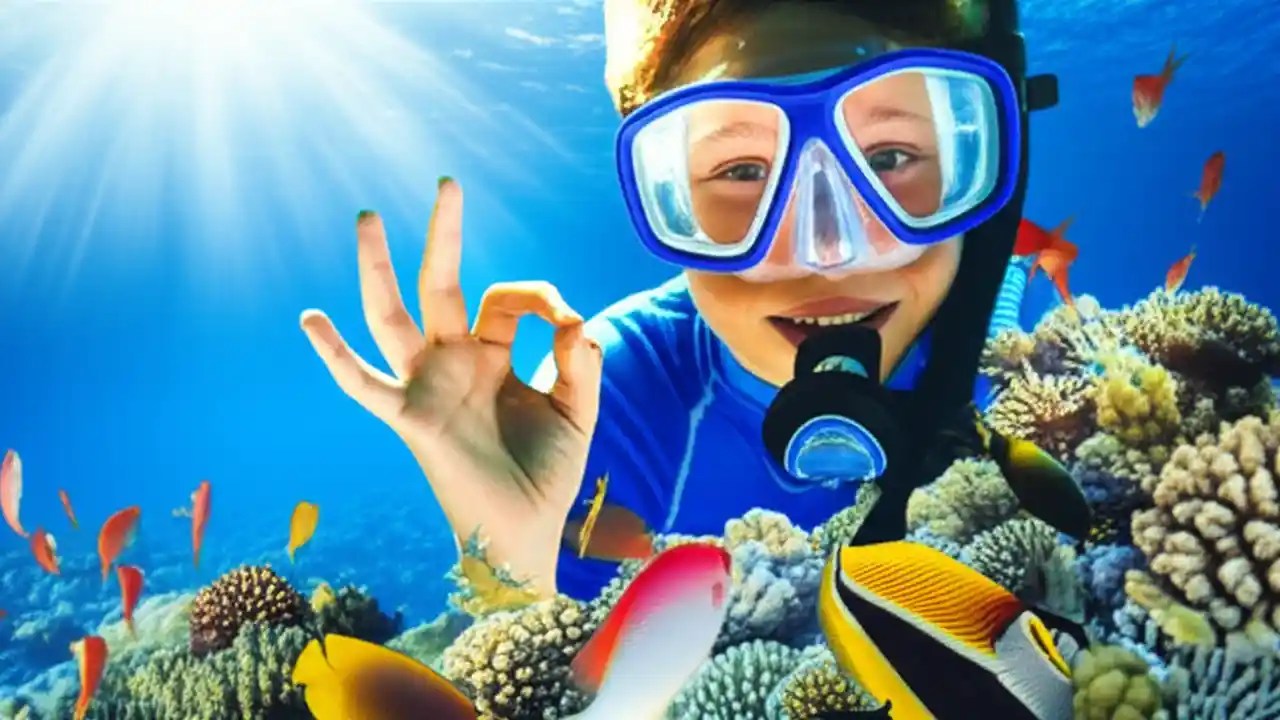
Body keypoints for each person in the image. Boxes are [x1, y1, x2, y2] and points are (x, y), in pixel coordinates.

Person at [299, 0, 1061, 601]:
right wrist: (512, 560)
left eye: (890, 158)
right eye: (741, 174)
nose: (830, 250)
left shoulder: (1031, 359)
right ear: (664, 196)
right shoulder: (607, 401)